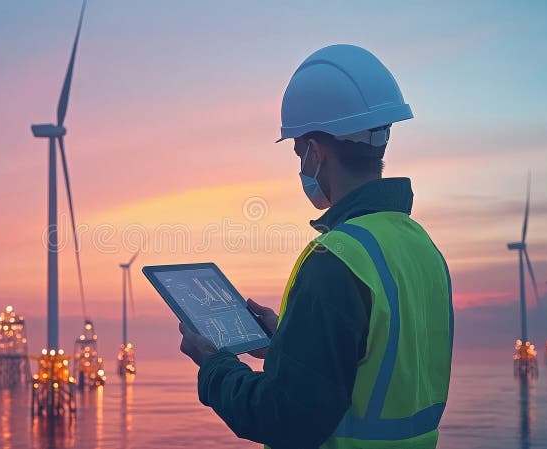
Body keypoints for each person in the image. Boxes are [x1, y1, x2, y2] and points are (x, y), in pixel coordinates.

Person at [179, 44, 453, 449]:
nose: (301, 165)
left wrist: (214, 365)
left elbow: (284, 417)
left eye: (298, 152)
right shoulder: (420, 247)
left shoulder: (338, 260)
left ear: (315, 152)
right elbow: (378, 363)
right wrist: (286, 342)